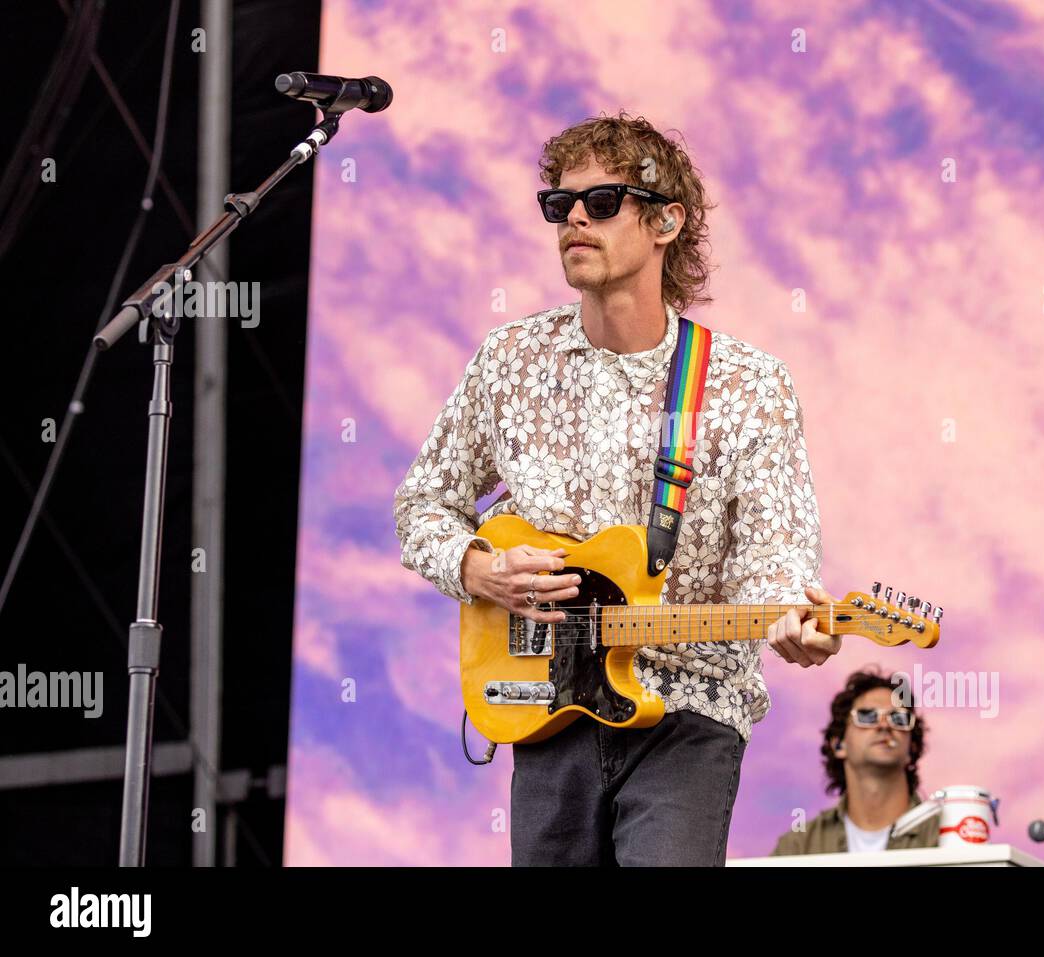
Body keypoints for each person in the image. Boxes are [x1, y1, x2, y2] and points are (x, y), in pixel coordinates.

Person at [394, 110, 837, 866]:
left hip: (690, 711)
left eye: (602, 202)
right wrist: (478, 568)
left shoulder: (747, 385)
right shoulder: (510, 361)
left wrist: (792, 616)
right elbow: (422, 503)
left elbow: (774, 550)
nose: (573, 217)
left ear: (666, 222)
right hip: (544, 701)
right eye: (558, 204)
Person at [771, 668, 940, 855]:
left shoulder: (946, 835)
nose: (884, 725)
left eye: (898, 718)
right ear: (839, 745)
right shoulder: (800, 846)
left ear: (912, 748)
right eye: (867, 716)